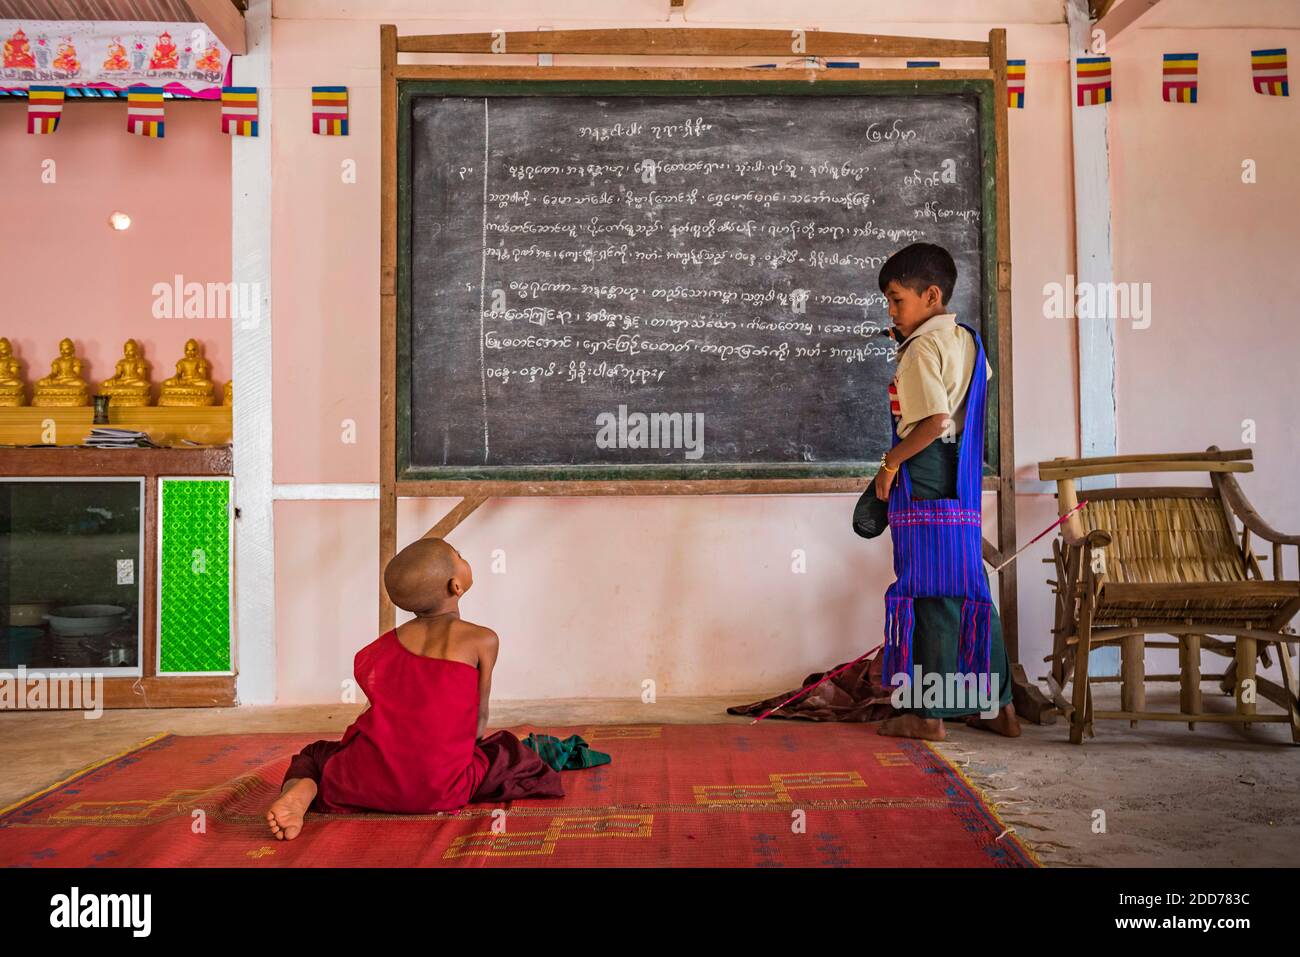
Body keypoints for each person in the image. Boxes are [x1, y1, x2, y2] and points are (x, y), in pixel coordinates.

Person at [266, 538, 563, 841]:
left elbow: (389, 710)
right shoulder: (483, 640)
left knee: (314, 756)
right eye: (459, 555)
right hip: (442, 788)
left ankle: (300, 791)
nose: (463, 557)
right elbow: (479, 718)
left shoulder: (377, 649)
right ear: (455, 586)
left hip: (364, 780)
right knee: (506, 753)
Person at [869, 243, 1020, 741]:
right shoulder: (968, 340)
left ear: (930, 294)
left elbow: (933, 421)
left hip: (928, 471)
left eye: (897, 300)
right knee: (968, 583)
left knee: (931, 587)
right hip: (963, 474)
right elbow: (962, 404)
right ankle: (998, 707)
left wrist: (890, 464)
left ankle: (928, 713)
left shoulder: (920, 350)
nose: (891, 311)